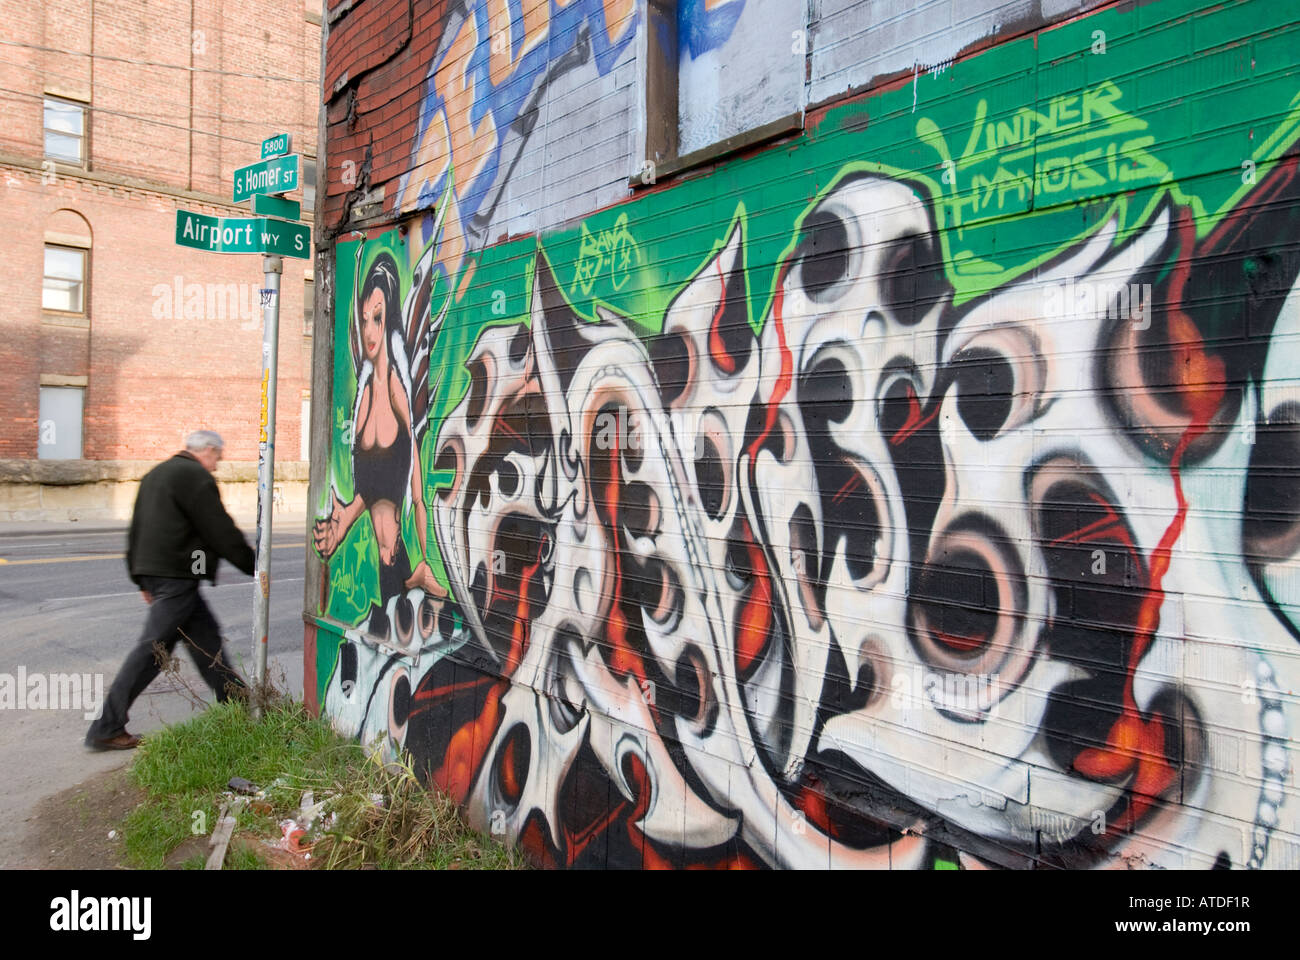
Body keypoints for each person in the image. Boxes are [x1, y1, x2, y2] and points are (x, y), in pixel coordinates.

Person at [85, 430, 255, 750]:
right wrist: (255, 566)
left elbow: (135, 530)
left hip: (161, 574)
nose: (217, 464)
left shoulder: (156, 474)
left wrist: (140, 578)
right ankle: (106, 727)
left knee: (206, 642)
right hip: (176, 576)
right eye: (218, 456)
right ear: (208, 450)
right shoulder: (195, 477)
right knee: (152, 650)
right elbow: (218, 529)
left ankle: (241, 707)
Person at [313, 250, 440, 634]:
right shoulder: (363, 397)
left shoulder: (398, 389)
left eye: (378, 318)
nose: (369, 331)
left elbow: (416, 485)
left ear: (390, 322)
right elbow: (367, 491)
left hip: (403, 560)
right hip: (386, 569)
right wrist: (341, 524)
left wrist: (426, 556)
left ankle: (416, 577)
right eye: (365, 318)